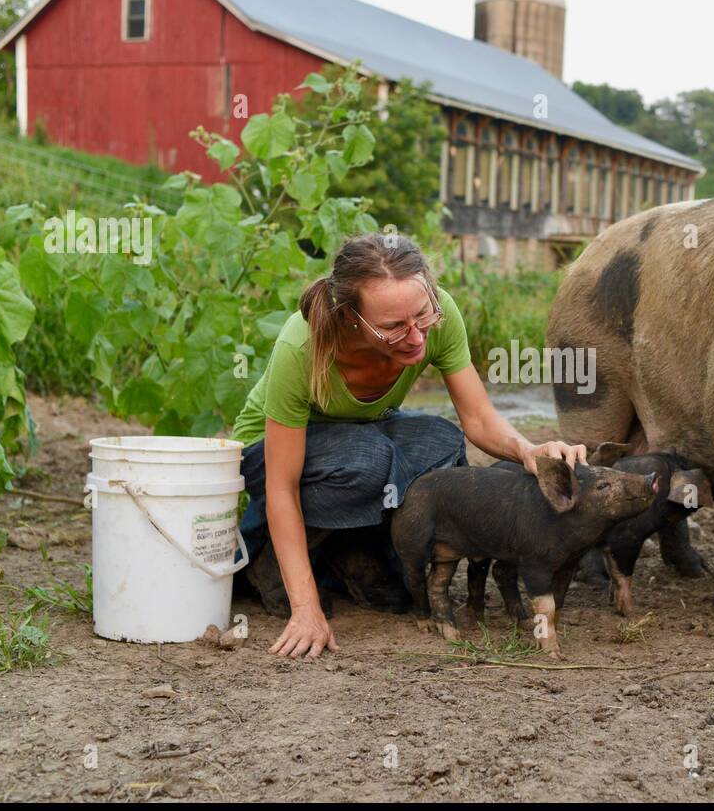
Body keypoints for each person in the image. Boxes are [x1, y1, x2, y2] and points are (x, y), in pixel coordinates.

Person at [231, 232, 588, 659]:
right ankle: (275, 565)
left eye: (423, 316)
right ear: (351, 319)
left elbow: (476, 419)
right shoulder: (304, 345)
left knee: (441, 443)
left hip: (362, 437)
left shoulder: (437, 314)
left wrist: (528, 449)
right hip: (268, 454)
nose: (416, 336)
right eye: (392, 328)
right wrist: (305, 611)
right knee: (369, 459)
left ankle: (351, 551)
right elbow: (283, 487)